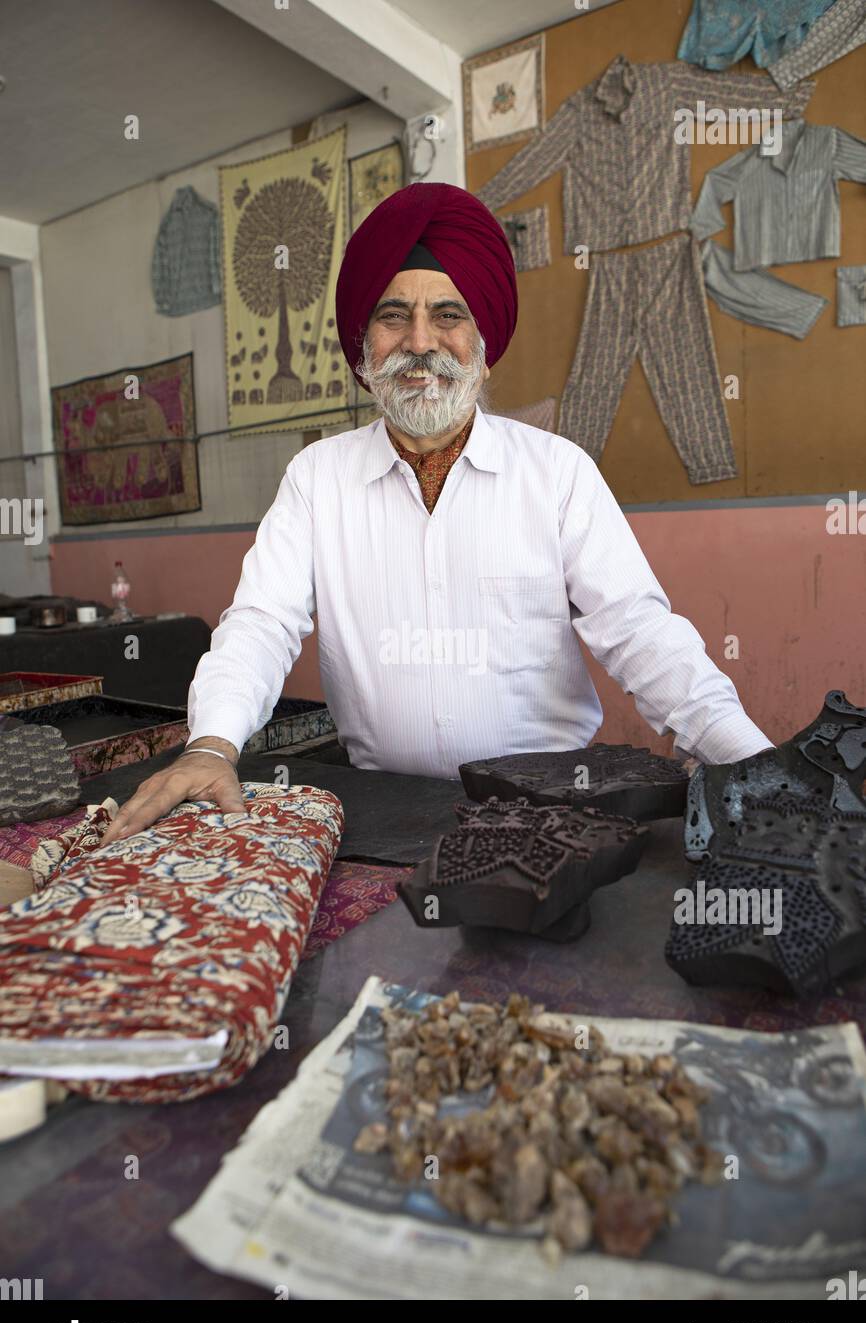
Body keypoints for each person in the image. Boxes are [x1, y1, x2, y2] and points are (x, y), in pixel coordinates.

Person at [101, 182, 771, 846]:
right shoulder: (317, 478)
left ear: (483, 344)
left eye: (448, 315)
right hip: (383, 814)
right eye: (394, 316)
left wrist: (745, 754)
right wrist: (213, 745)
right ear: (365, 346)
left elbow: (638, 631)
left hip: (551, 808)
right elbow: (262, 624)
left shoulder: (557, 472)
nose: (421, 343)